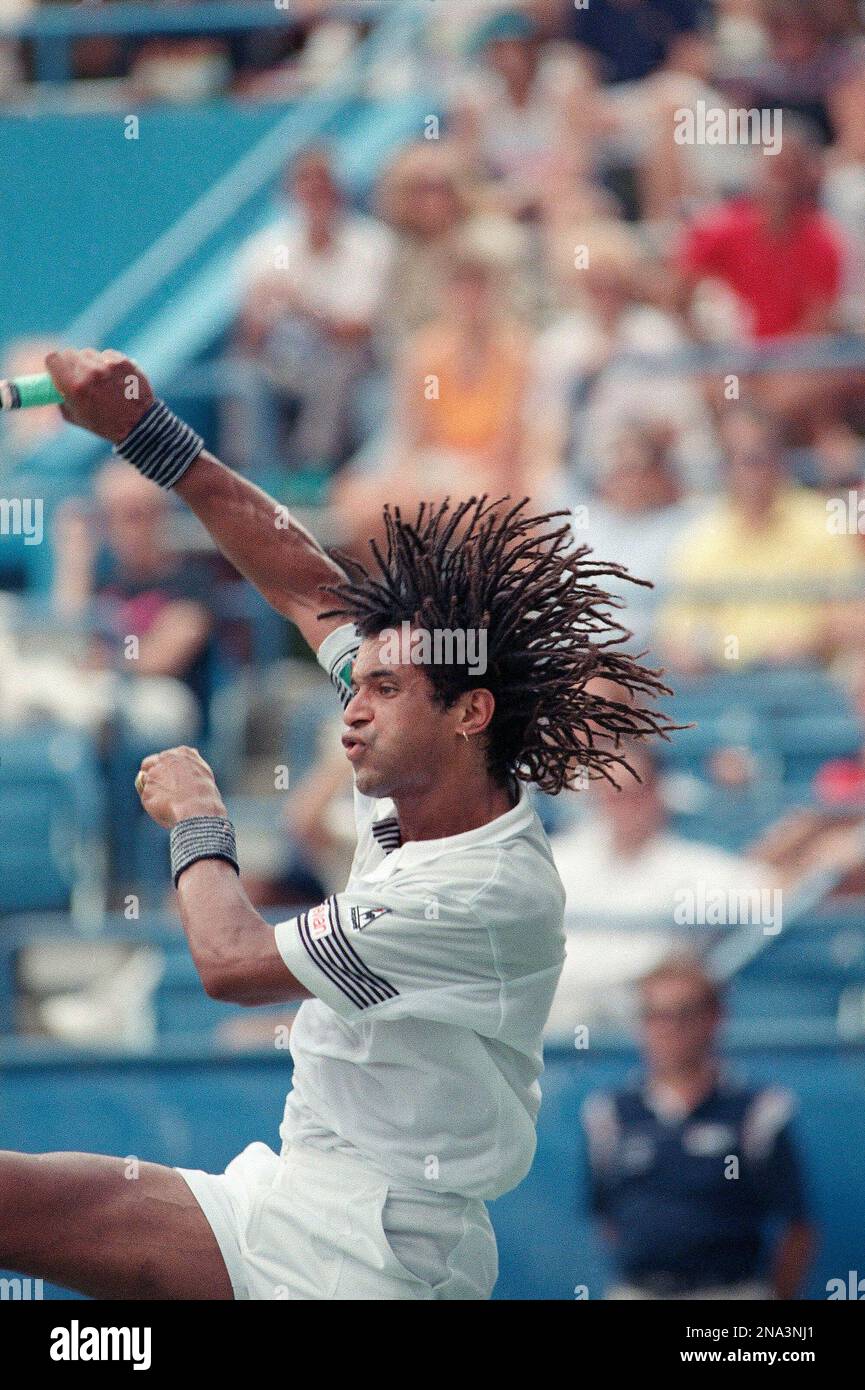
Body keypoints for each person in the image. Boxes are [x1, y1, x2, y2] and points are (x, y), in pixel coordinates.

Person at [0, 345, 673, 1301]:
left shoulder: (477, 890)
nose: (350, 706)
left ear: (468, 713)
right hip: (296, 1192)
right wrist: (145, 432)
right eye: (358, 682)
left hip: (373, 1255)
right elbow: (304, 581)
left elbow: (232, 967)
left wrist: (196, 819)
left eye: (383, 690)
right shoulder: (420, 767)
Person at [581, 954, 816, 1299]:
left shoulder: (760, 1111)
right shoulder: (608, 1113)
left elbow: (799, 1226)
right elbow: (605, 1216)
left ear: (715, 1018)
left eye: (685, 1014)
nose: (670, 1028)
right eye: (656, 1015)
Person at [545, 743, 775, 1032]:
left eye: (633, 792)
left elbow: (768, 895)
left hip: (649, 1027)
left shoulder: (694, 868)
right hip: (557, 1022)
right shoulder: (560, 861)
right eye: (612, 792)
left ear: (656, 793)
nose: (622, 804)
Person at [658, 403, 864, 669]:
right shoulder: (702, 535)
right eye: (735, 458)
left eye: (756, 458)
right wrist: (692, 652)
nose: (748, 471)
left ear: (778, 459)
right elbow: (676, 628)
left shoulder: (823, 524)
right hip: (724, 686)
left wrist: (807, 640)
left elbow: (857, 614)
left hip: (810, 680)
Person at [229, 146, 393, 478]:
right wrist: (258, 314)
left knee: (335, 364)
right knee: (242, 374)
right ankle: (252, 475)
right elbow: (247, 339)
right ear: (291, 193)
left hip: (353, 363)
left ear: (340, 192)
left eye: (324, 187)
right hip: (284, 360)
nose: (316, 197)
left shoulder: (371, 244)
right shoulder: (263, 248)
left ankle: (311, 472)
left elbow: (361, 329)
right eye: (306, 187)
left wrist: (302, 305)